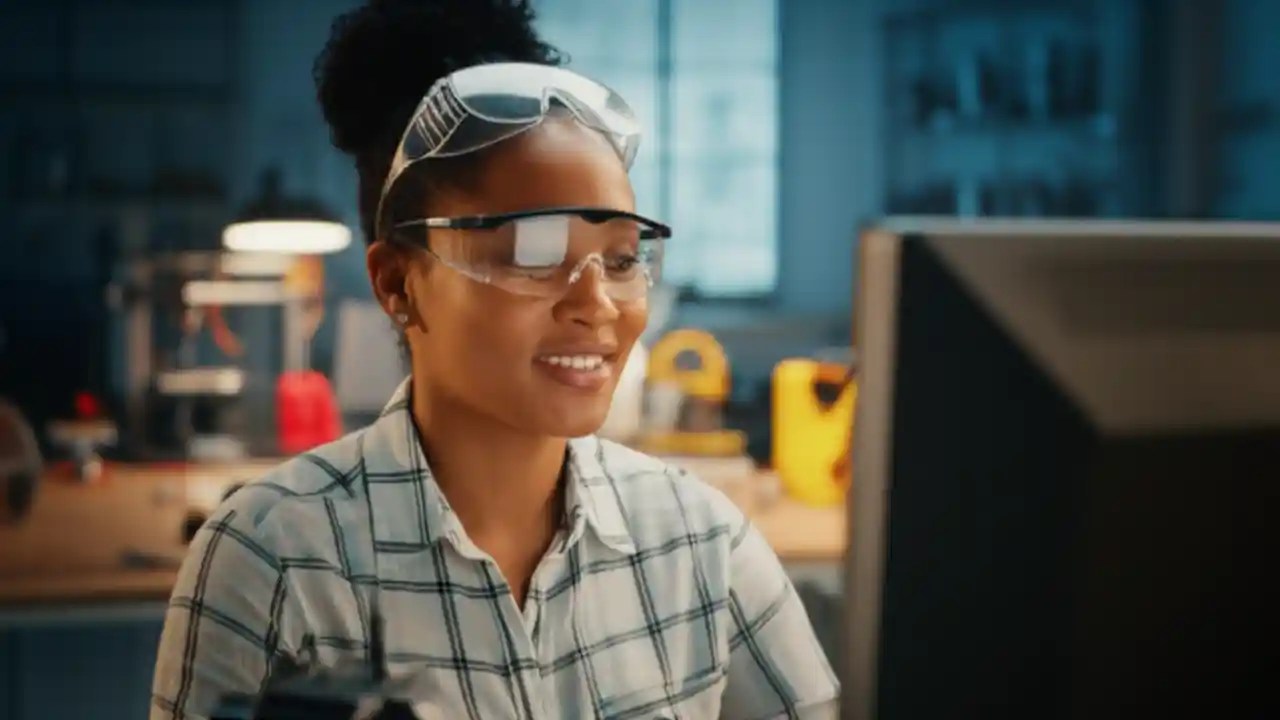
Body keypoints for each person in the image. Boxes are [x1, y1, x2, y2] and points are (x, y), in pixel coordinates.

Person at [150, 0, 838, 717]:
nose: (597, 303)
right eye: (531, 255)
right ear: (398, 283)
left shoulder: (701, 543)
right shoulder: (272, 560)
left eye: (621, 258)